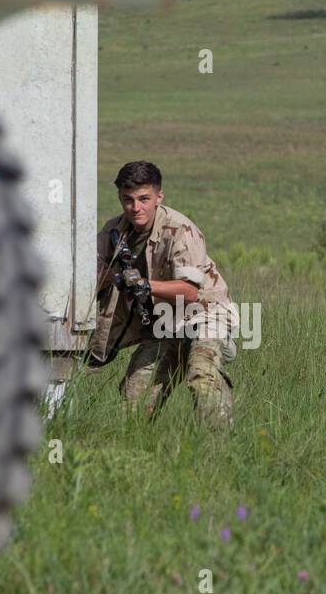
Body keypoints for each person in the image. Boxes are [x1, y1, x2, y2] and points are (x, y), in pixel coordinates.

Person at [88, 161, 235, 425]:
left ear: (159, 196)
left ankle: (219, 450)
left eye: (144, 199)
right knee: (134, 397)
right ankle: (136, 457)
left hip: (204, 316)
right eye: (128, 200)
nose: (136, 208)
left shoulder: (181, 229)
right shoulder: (113, 233)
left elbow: (189, 292)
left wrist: (142, 284)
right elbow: (90, 278)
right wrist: (113, 277)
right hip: (163, 325)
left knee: (202, 377)